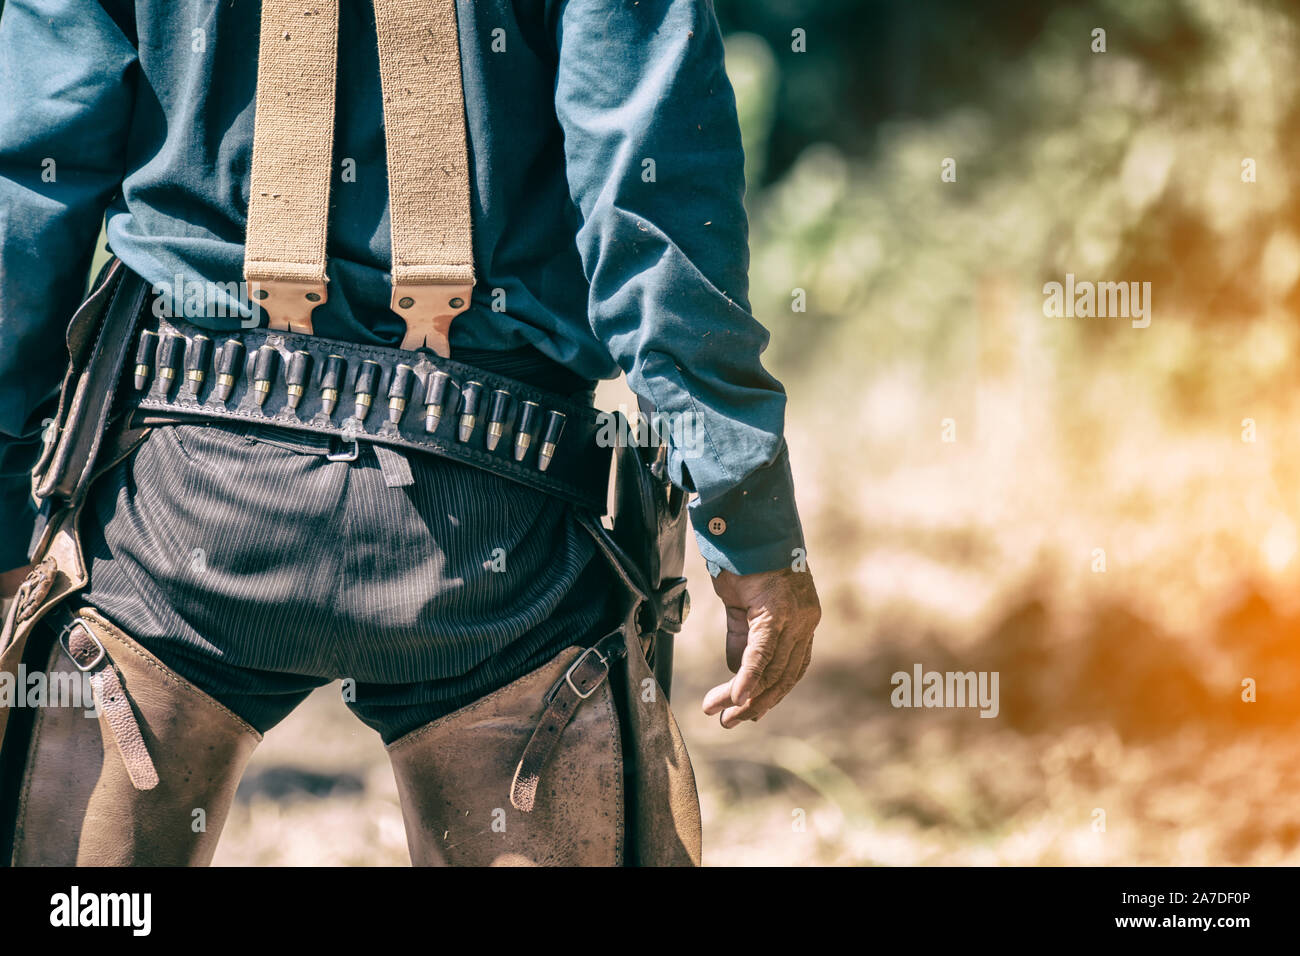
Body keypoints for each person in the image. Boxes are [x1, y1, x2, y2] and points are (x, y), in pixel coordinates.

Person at [0, 0, 820, 865]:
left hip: (173, 499)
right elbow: (652, 198)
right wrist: (747, 517)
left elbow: (29, 181)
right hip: (499, 520)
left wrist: (9, 501)